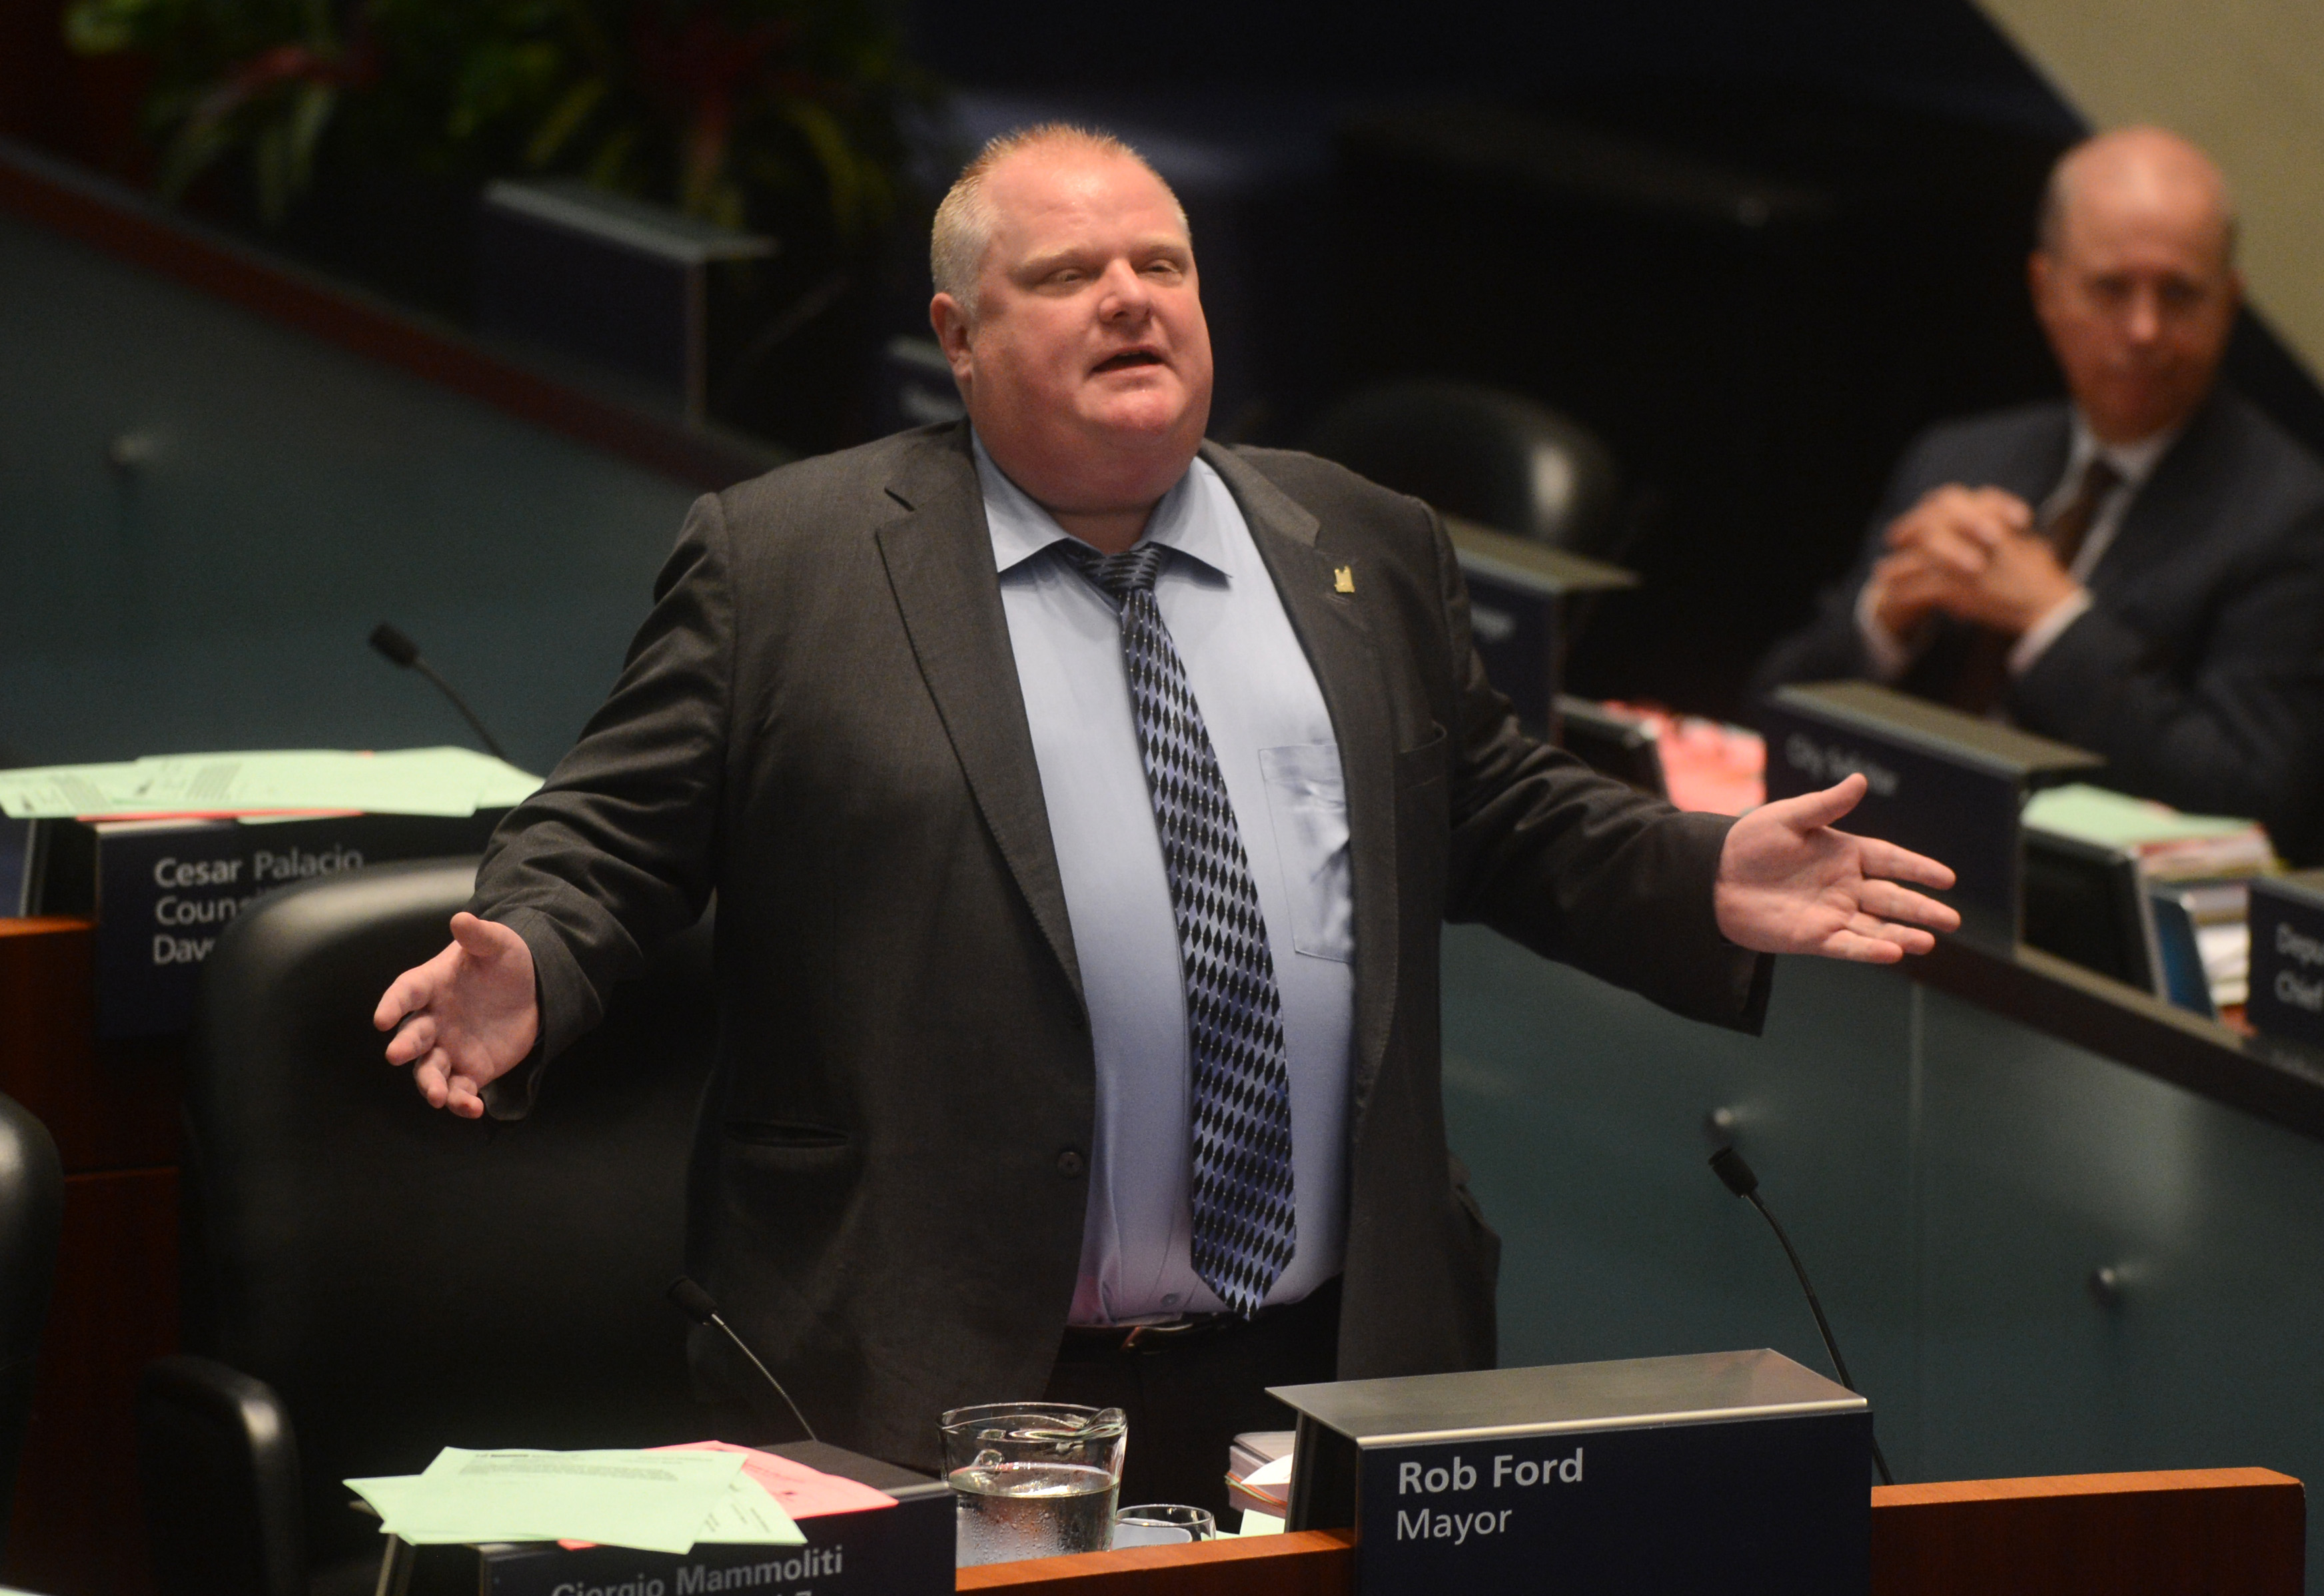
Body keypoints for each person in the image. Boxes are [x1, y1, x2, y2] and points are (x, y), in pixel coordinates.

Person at [373, 125, 1956, 1511]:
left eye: (1162, 262)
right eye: (1069, 273)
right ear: (959, 333)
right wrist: (531, 944)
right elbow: (615, 825)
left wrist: (1695, 869)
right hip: (927, 1379)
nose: (1131, 295)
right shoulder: (790, 563)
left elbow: (1484, 804)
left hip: (1328, 1383)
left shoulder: (1358, 540)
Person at [1752, 127, 2324, 862]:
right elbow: (1769, 713)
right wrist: (1882, 623)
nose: (2143, 329)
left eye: (2178, 294)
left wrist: (2051, 622)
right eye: (2109, 289)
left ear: (2229, 303)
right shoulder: (1957, 455)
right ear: (2044, 289)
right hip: (1880, 862)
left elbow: (2249, 795)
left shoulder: (2291, 514)